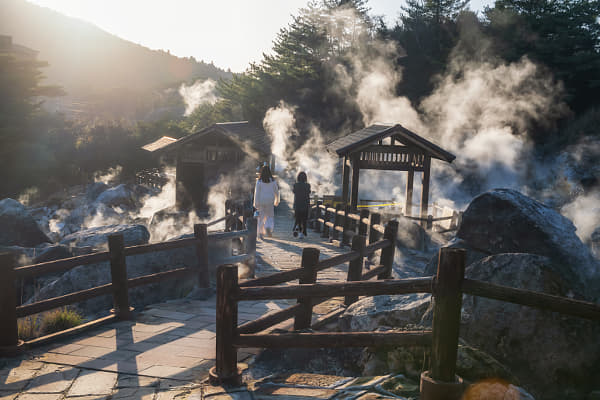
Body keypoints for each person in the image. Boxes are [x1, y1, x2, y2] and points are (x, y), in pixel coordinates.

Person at [253, 165, 280, 239]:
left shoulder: (259, 181)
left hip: (261, 201)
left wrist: (255, 203)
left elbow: (257, 193)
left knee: (261, 217)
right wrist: (277, 200)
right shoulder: (273, 181)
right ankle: (268, 227)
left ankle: (261, 233)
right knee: (270, 216)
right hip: (270, 201)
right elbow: (276, 191)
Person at [293, 171, 311, 239]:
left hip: (297, 203)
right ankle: (303, 232)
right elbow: (309, 192)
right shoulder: (308, 185)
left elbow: (294, 191)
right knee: (304, 219)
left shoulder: (295, 185)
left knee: (298, 218)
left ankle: (298, 229)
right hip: (305, 204)